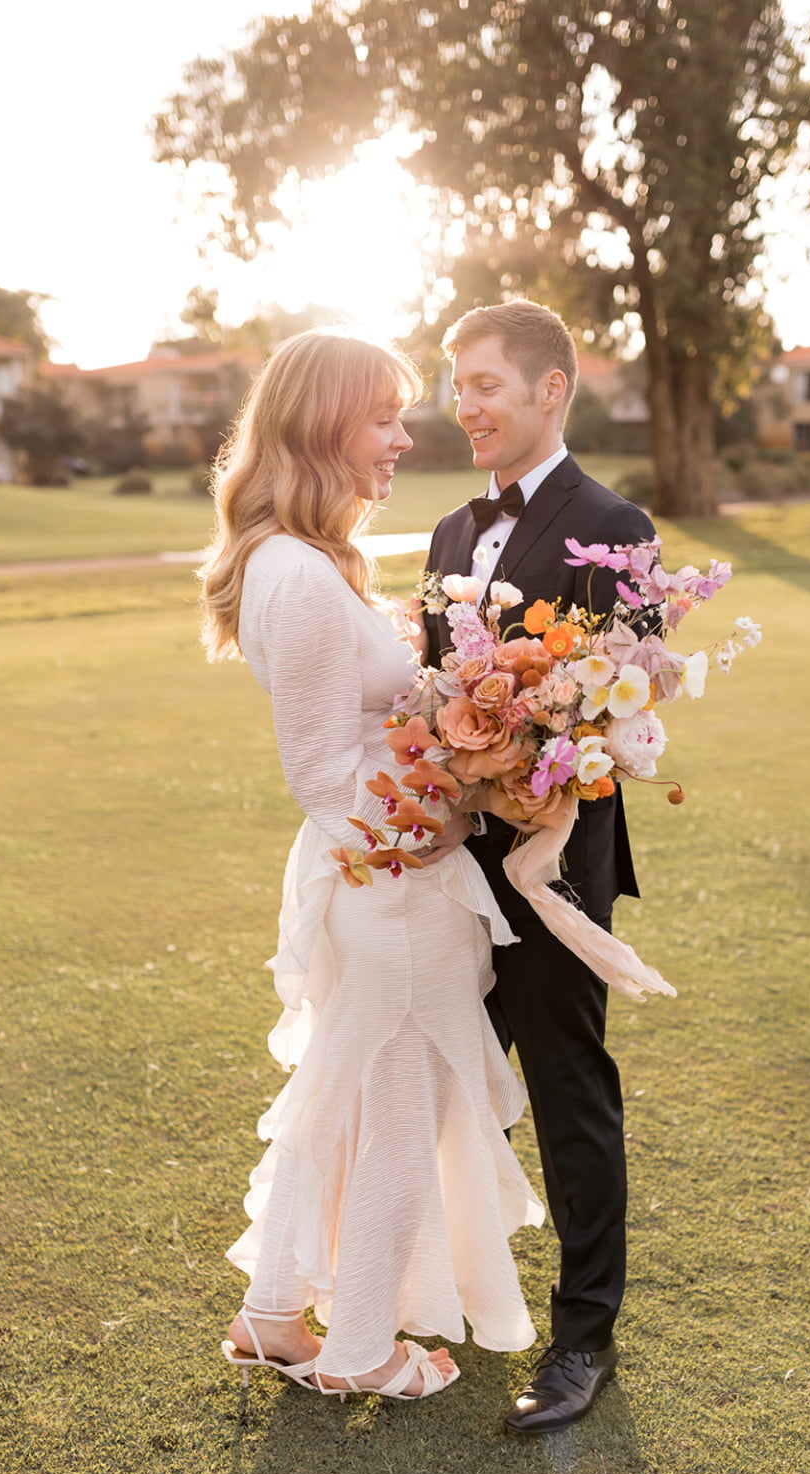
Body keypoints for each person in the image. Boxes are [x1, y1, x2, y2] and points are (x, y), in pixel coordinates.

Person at [199, 328, 543, 1403]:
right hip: (387, 887)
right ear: (321, 425)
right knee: (400, 1107)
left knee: (345, 1094)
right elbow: (317, 772)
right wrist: (437, 823)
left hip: (380, 878)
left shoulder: (297, 560)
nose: (402, 439)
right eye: (383, 418)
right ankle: (357, 1349)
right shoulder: (297, 577)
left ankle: (272, 1315)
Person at [422, 299, 657, 1433]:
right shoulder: (445, 534)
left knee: (567, 1094)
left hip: (552, 874)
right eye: (456, 386)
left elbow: (627, 704)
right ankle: (429, 1296)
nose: (462, 406)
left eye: (484, 385)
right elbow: (431, 688)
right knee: (436, 1078)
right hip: (445, 870)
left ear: (549, 387)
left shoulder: (616, 525)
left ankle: (582, 1341)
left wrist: (535, 761)